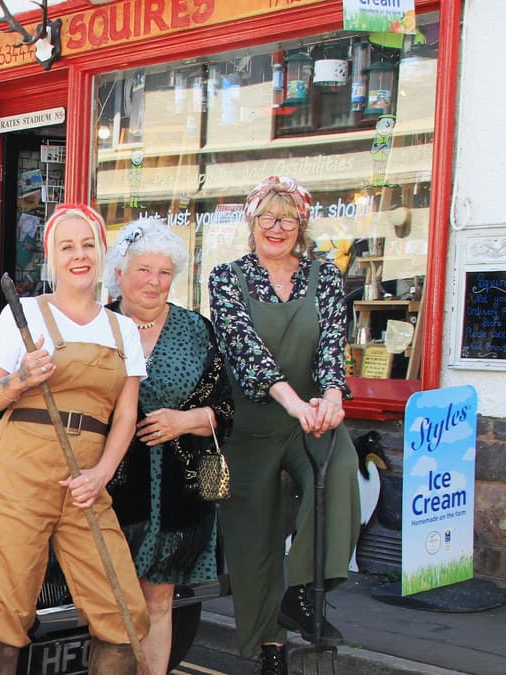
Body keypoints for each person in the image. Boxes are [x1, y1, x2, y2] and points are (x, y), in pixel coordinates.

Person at [0, 204, 149, 674]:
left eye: (88, 244)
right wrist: (21, 379)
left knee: (123, 613)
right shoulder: (23, 315)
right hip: (21, 475)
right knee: (7, 611)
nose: (79, 255)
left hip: (87, 480)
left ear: (102, 252)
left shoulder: (123, 329)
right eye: (66, 246)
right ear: (51, 257)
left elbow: (126, 417)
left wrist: (101, 475)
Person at [208, 176, 360, 675]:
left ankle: (304, 591)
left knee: (339, 466)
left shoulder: (325, 277)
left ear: (302, 225)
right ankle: (268, 648)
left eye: (288, 218)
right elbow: (245, 352)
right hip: (251, 420)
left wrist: (333, 394)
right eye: (267, 217)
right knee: (255, 540)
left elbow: (333, 346)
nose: (277, 227)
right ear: (251, 223)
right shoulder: (228, 278)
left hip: (309, 416)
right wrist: (293, 402)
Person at [104, 218, 234, 674]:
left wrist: (186, 420)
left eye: (164, 272)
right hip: (112, 488)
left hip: (178, 494)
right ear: (120, 272)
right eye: (143, 270)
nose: (154, 282)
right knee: (109, 600)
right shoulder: (97, 325)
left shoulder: (195, 329)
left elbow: (226, 408)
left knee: (158, 599)